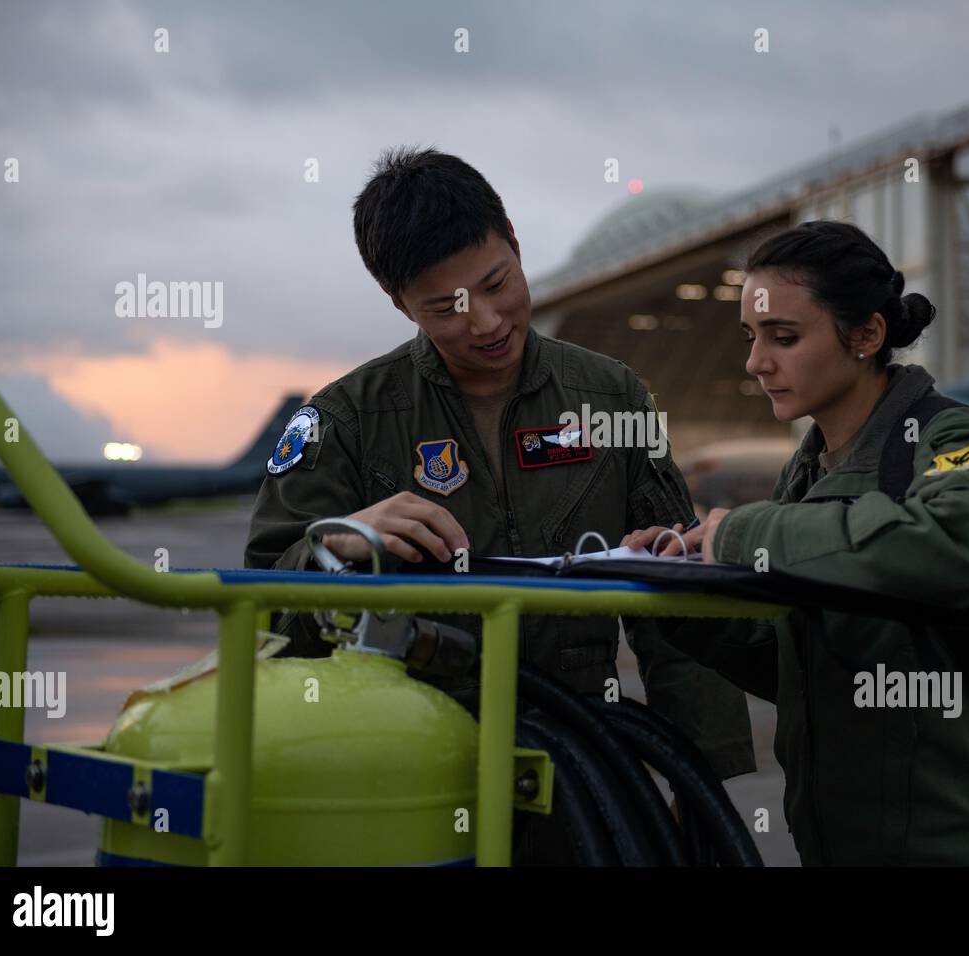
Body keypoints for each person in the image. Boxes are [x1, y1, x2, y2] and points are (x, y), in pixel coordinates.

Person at [244, 148, 755, 860]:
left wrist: (695, 782)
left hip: (580, 770)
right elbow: (261, 605)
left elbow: (679, 599)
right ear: (398, 303)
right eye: (444, 307)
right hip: (403, 771)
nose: (484, 321)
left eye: (496, 283)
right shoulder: (347, 421)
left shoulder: (614, 400)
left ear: (515, 242)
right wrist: (337, 543)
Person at [626, 220, 969, 865]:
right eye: (751, 337)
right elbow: (810, 665)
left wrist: (741, 533)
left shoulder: (952, 437)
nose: (755, 362)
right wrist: (678, 591)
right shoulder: (809, 471)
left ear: (866, 335)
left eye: (784, 337)